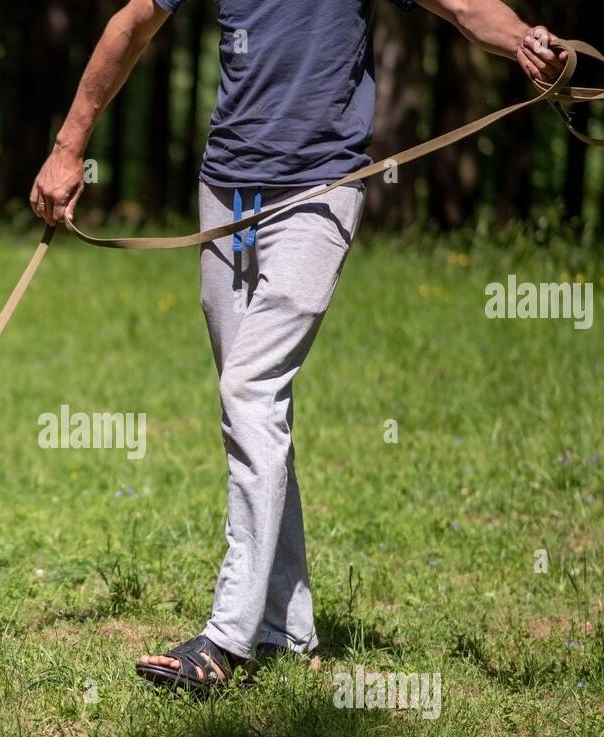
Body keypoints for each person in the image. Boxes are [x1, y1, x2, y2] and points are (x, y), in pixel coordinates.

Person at [31, 0, 569, 691]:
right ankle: (291, 628)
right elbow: (133, 22)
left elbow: (465, 7)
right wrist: (68, 147)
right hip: (227, 194)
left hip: (321, 189)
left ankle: (225, 641)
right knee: (258, 408)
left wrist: (525, 41)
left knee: (248, 390)